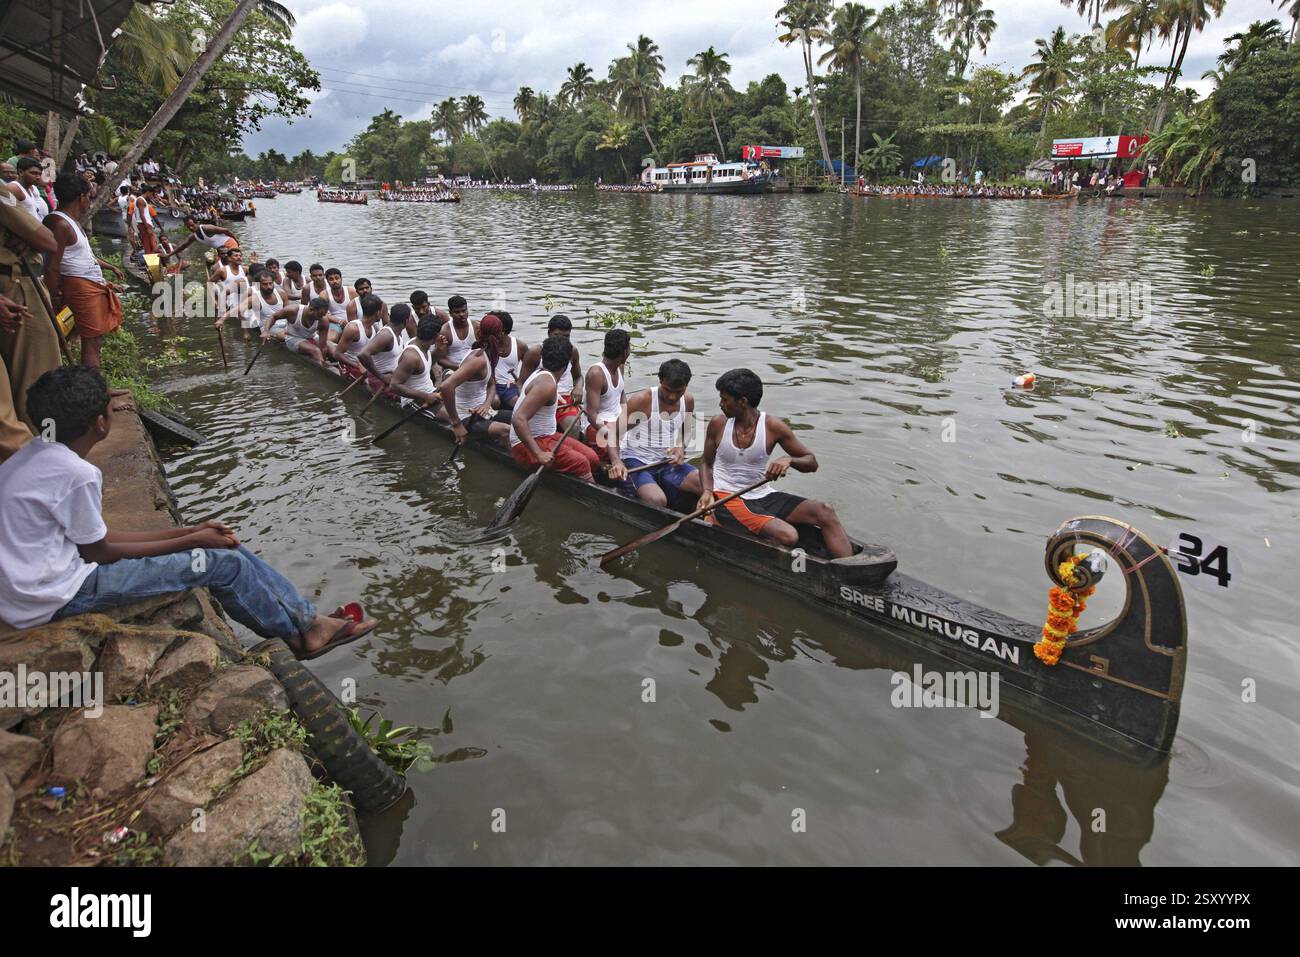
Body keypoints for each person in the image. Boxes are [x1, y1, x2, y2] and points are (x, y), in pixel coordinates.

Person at [0, 365, 376, 654]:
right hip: (58, 597)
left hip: (31, 590)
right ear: (101, 424)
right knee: (222, 563)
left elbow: (96, 540)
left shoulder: (28, 458)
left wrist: (189, 531)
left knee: (221, 543)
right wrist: (192, 539)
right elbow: (98, 551)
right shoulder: (76, 473)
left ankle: (308, 620)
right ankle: (303, 634)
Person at [697, 368, 851, 558]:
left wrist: (789, 460)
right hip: (725, 497)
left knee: (825, 511)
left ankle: (850, 570)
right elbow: (706, 462)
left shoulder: (772, 426)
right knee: (789, 536)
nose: (721, 404)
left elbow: (811, 462)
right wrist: (706, 492)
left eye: (725, 399)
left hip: (762, 494)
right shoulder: (718, 424)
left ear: (743, 402)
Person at [0, 178, 61, 458]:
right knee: (39, 382)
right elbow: (47, 240)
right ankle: (46, 452)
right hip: (18, 290)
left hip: (13, 290)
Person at [43, 174, 125, 370]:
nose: (90, 201)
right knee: (91, 340)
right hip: (80, 287)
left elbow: (83, 256)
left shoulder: (72, 222)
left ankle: (92, 384)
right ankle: (94, 391)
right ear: (81, 197)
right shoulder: (59, 223)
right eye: (90, 196)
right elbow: (52, 266)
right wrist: (54, 297)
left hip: (89, 286)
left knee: (92, 339)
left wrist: (109, 267)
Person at [510, 334, 600, 481]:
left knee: (593, 458)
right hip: (525, 445)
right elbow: (518, 419)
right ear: (566, 366)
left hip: (546, 436)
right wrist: (539, 454)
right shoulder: (546, 384)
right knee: (582, 462)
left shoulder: (544, 375)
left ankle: (589, 478)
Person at [617, 358, 702, 509]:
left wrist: (680, 446)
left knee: (704, 484)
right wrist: (616, 462)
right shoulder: (642, 401)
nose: (672, 397)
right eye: (668, 390)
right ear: (660, 380)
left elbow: (686, 431)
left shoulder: (688, 400)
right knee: (658, 501)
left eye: (679, 392)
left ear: (686, 386)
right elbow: (613, 434)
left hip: (665, 460)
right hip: (636, 460)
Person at [439, 312, 511, 447]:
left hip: (483, 412)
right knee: (506, 430)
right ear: (500, 334)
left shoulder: (488, 354)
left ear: (479, 332)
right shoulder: (477, 360)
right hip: (466, 417)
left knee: (519, 417)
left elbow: (491, 385)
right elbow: (446, 386)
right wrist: (457, 425)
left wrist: (486, 404)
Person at [517, 314, 582, 424]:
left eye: (566, 336)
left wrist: (578, 387)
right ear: (549, 333)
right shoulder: (534, 353)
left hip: (564, 400)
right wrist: (528, 400)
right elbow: (520, 384)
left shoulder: (572, 351)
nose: (561, 340)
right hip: (540, 399)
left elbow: (578, 376)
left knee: (573, 424)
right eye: (557, 335)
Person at [582, 328, 629, 464]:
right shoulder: (596, 374)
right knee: (624, 451)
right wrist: (610, 434)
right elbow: (592, 415)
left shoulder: (620, 367)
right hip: (598, 424)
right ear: (624, 352)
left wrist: (627, 415)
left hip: (617, 420)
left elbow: (622, 394)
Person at [388, 314, 446, 418]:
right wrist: (426, 396)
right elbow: (394, 386)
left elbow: (426, 365)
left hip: (430, 392)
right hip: (413, 401)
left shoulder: (423, 344)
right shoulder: (411, 357)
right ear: (436, 336)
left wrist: (438, 350)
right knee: (451, 415)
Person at [358, 303, 411, 398]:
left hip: (395, 378)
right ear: (407, 321)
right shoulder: (386, 335)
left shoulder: (397, 333)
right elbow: (362, 354)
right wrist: (382, 377)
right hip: (382, 381)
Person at [330, 293, 384, 378]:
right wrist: (357, 365)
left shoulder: (375, 328)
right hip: (349, 366)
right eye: (382, 311)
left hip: (365, 365)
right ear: (377, 313)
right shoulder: (353, 329)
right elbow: (337, 354)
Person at [266, 296, 329, 365]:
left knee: (332, 348)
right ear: (311, 309)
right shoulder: (293, 310)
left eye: (323, 315)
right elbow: (273, 317)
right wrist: (265, 331)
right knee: (316, 351)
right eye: (320, 315)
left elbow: (323, 347)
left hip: (311, 336)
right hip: (293, 337)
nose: (321, 318)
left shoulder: (323, 320)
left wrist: (323, 360)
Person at [490, 310, 527, 408]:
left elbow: (529, 369)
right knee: (494, 401)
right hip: (490, 385)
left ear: (502, 330)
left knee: (519, 405)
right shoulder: (486, 344)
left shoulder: (520, 346)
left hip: (510, 387)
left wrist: (520, 383)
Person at [164, 216, 239, 261]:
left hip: (230, 244)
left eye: (192, 225)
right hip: (221, 250)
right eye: (188, 227)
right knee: (218, 265)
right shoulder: (193, 236)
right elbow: (182, 246)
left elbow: (226, 230)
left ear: (197, 223)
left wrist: (236, 241)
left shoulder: (206, 228)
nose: (191, 228)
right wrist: (169, 255)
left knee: (231, 262)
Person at [434, 294, 477, 370]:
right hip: (452, 369)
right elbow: (440, 359)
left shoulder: (476, 326)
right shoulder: (445, 331)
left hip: (474, 366)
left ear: (467, 310)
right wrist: (460, 367)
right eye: (457, 312)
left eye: (464, 311)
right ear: (450, 313)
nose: (461, 314)